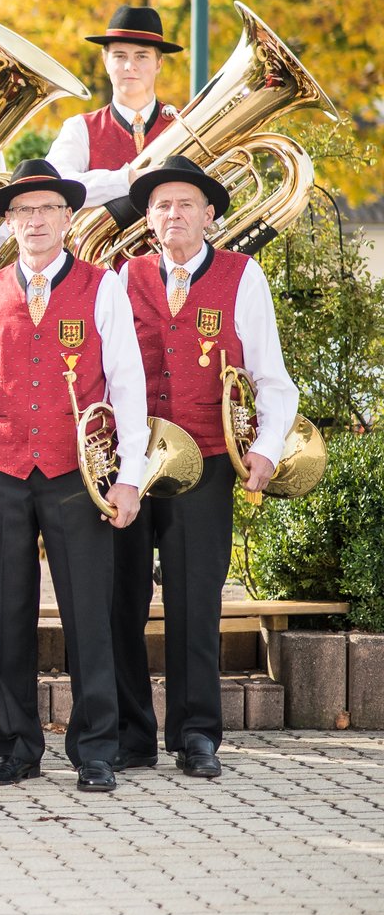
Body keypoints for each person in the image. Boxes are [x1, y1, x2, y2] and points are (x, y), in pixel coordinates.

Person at [0, 159, 148, 793]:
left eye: (47, 210)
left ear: (68, 218)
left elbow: (128, 386)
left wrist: (130, 476)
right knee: (9, 612)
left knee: (87, 610)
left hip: (77, 471)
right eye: (23, 212)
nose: (35, 221)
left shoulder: (103, 285)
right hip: (3, 468)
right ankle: (16, 745)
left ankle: (95, 747)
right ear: (9, 223)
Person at [113, 156, 298, 778]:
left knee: (196, 601)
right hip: (133, 463)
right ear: (148, 218)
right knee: (123, 599)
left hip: (208, 462)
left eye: (186, 204)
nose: (174, 214)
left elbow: (272, 377)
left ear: (211, 214)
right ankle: (131, 734)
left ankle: (197, 736)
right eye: (162, 205)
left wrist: (266, 448)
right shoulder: (123, 276)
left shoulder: (244, 276)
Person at [45, 4, 182, 204]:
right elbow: (56, 186)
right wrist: (128, 179)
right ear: (105, 60)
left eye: (141, 56)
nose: (129, 66)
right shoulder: (79, 128)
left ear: (159, 63)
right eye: (120, 56)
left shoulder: (183, 125)